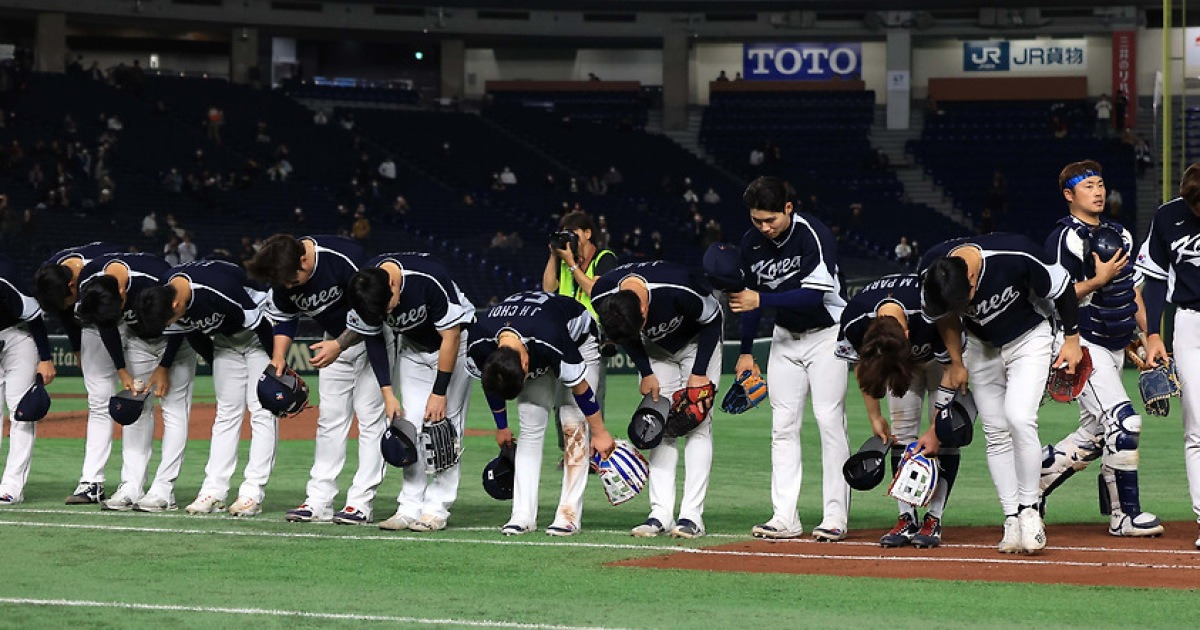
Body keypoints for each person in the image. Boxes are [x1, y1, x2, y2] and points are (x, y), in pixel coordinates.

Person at [919, 232, 1082, 554]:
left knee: (1019, 418)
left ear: (970, 275)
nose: (966, 307)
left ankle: (1030, 509)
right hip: (981, 348)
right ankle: (1011, 517)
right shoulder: (931, 272)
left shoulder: (1015, 255)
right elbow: (945, 319)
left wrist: (1072, 339)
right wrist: (955, 362)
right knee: (995, 431)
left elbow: (1062, 288)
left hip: (1029, 337)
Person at [1039, 160, 1162, 537]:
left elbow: (1131, 292)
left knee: (1095, 435)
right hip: (1078, 343)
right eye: (1088, 185)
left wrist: (1148, 335)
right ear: (1068, 194)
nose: (1098, 191)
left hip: (1113, 344)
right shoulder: (1063, 239)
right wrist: (1098, 280)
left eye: (1101, 183)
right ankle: (1125, 516)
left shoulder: (1120, 234)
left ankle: (1034, 477)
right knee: (1124, 423)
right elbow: (1056, 296)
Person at [730, 176, 851, 541]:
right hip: (784, 339)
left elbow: (813, 297)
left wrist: (761, 301)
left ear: (788, 208)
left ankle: (835, 516)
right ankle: (785, 517)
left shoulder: (812, 234)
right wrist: (747, 351)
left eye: (770, 220)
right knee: (782, 427)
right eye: (756, 221)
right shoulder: (751, 244)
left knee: (829, 422)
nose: (764, 228)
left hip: (827, 335)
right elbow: (747, 302)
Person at [246, 234, 391, 525]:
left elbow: (375, 311)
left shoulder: (345, 258)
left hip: (375, 338)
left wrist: (340, 345)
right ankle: (319, 499)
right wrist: (278, 358)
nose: (288, 286)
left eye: (292, 280)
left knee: (370, 418)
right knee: (330, 421)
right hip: (333, 341)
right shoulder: (284, 270)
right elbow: (286, 316)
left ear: (304, 259)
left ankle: (360, 502)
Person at [133, 260, 278, 517]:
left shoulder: (215, 289)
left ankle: (251, 493)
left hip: (258, 334)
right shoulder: (166, 294)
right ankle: (213, 490)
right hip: (225, 343)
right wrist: (217, 363)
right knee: (226, 414)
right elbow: (193, 333)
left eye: (169, 321)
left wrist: (277, 366)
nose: (168, 326)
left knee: (262, 412)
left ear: (176, 305)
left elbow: (261, 326)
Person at [465, 291, 615, 536]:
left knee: (572, 422)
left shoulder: (550, 337)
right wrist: (501, 425)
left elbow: (581, 387)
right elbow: (491, 382)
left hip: (578, 339)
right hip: (528, 337)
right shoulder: (479, 342)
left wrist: (600, 432)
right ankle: (522, 515)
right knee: (530, 424)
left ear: (526, 365)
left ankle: (568, 515)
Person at [345, 252, 476, 532]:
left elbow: (451, 336)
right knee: (410, 430)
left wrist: (440, 392)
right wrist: (388, 393)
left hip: (454, 346)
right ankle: (409, 507)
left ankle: (437, 508)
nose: (388, 314)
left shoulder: (427, 278)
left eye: (388, 306)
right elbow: (374, 338)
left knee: (443, 430)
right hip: (413, 351)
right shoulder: (367, 284)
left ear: (393, 284)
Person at [592, 260, 722, 539]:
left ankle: (691, 516)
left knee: (697, 422)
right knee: (657, 424)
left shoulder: (677, 286)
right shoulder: (603, 296)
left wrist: (699, 374)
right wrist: (645, 371)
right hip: (656, 352)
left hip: (698, 343)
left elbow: (713, 318)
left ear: (643, 308)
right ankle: (660, 514)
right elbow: (625, 335)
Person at [835, 273, 959, 548]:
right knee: (901, 434)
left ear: (907, 334)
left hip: (942, 365)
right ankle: (906, 518)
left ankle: (934, 519)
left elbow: (953, 368)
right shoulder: (855, 318)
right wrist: (874, 416)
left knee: (946, 435)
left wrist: (936, 428)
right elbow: (863, 365)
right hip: (900, 365)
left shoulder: (929, 307)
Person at [73, 253, 199, 512]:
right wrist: (122, 370)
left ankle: (164, 490)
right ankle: (131, 485)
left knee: (174, 411)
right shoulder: (94, 284)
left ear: (122, 290)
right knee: (136, 409)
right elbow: (106, 324)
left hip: (174, 340)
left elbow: (180, 318)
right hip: (138, 343)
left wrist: (164, 366)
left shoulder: (153, 278)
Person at [1135, 162, 1200, 550]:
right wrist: (1154, 333)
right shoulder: (1168, 217)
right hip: (1189, 324)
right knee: (1197, 428)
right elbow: (1156, 278)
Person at [32, 242, 123, 504]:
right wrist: (78, 349)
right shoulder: (52, 276)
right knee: (98, 403)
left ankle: (135, 483)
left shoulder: (102, 263)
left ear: (73, 287)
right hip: (94, 325)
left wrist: (123, 367)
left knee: (137, 400)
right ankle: (91, 482)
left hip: (130, 320)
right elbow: (66, 312)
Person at [0, 257, 57, 505]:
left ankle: (12, 487)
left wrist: (45, 358)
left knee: (21, 412)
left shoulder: (4, 283)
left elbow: (34, 315)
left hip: (16, 337)